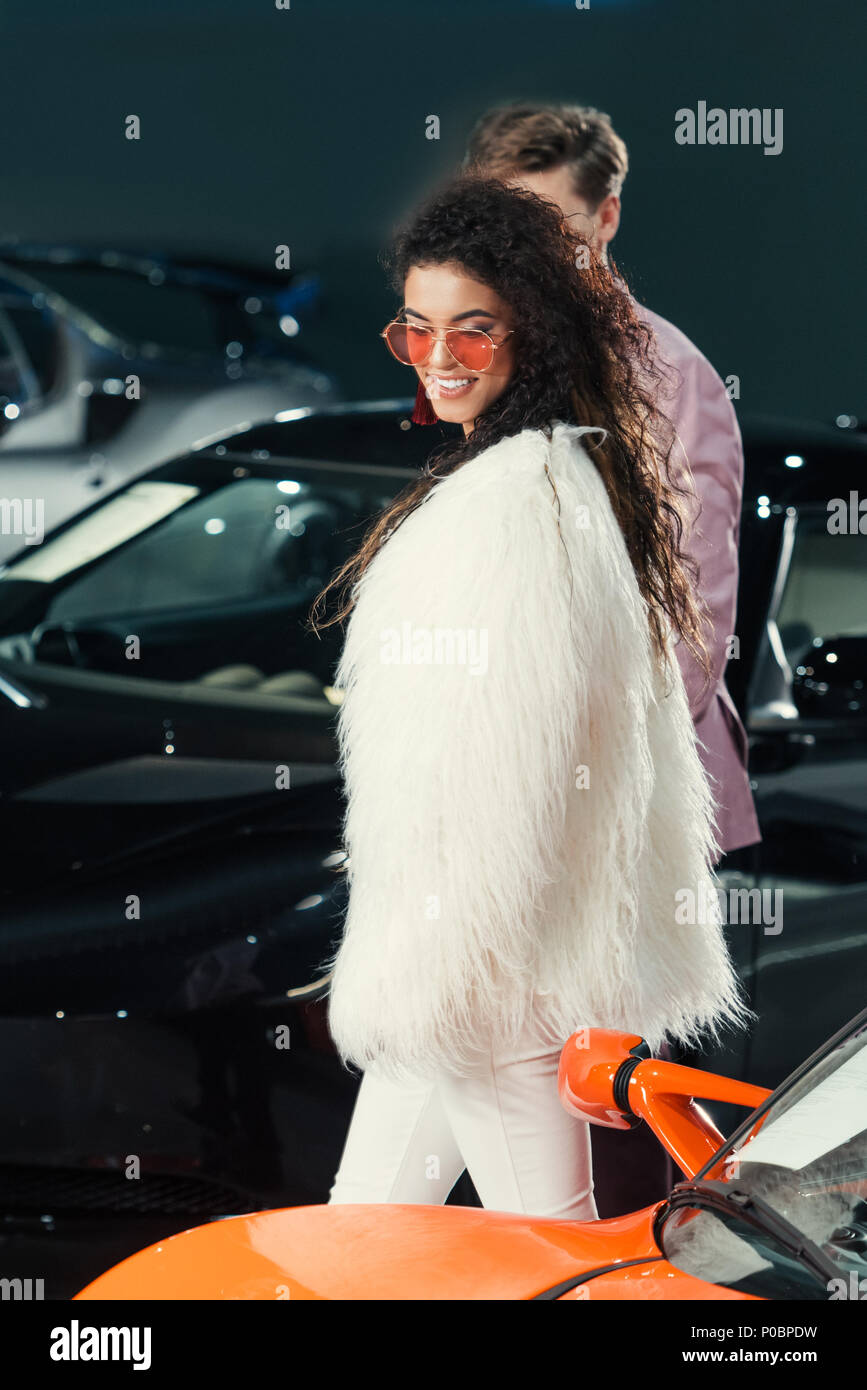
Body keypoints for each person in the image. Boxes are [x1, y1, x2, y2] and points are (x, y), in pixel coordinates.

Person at [306, 175, 754, 1217]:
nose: (442, 358)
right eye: (417, 331)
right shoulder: (534, 483)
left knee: (544, 1254)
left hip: (495, 973)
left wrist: (457, 949)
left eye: (475, 329)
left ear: (532, 334)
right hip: (461, 969)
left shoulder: (523, 506)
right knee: (366, 1239)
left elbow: (518, 767)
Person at [463, 103, 761, 861]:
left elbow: (690, 618)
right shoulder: (470, 359)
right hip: (491, 781)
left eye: (553, 227)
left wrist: (572, 776)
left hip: (625, 802)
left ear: (606, 218)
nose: (527, 252)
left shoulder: (673, 380)